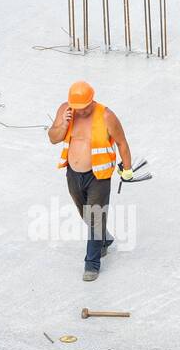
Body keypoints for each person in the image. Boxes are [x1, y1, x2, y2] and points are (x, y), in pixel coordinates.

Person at [47, 80, 134, 282]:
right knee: (84, 212)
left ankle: (92, 263)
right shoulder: (65, 110)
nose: (80, 111)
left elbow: (122, 142)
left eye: (84, 108)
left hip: (98, 175)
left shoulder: (106, 116)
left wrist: (127, 168)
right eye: (77, 107)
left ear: (91, 100)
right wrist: (63, 123)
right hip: (73, 174)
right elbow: (53, 138)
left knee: (95, 216)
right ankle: (104, 239)